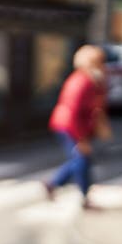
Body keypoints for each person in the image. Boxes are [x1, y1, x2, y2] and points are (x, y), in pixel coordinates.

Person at [44, 44, 110, 210]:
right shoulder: (81, 82)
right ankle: (82, 196)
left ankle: (53, 184)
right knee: (81, 159)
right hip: (69, 126)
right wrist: (81, 139)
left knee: (79, 160)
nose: (103, 65)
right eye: (99, 62)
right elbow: (73, 111)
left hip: (77, 126)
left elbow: (97, 107)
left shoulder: (94, 80)